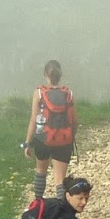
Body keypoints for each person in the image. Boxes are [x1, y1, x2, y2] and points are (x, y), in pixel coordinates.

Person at [23, 60, 78, 200]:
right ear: (60, 75)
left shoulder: (39, 93)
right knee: (60, 179)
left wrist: (28, 143)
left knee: (41, 171)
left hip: (43, 139)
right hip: (64, 140)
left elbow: (33, 120)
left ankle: (38, 204)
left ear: (45, 75)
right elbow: (74, 121)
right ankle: (61, 208)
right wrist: (70, 137)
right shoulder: (69, 93)